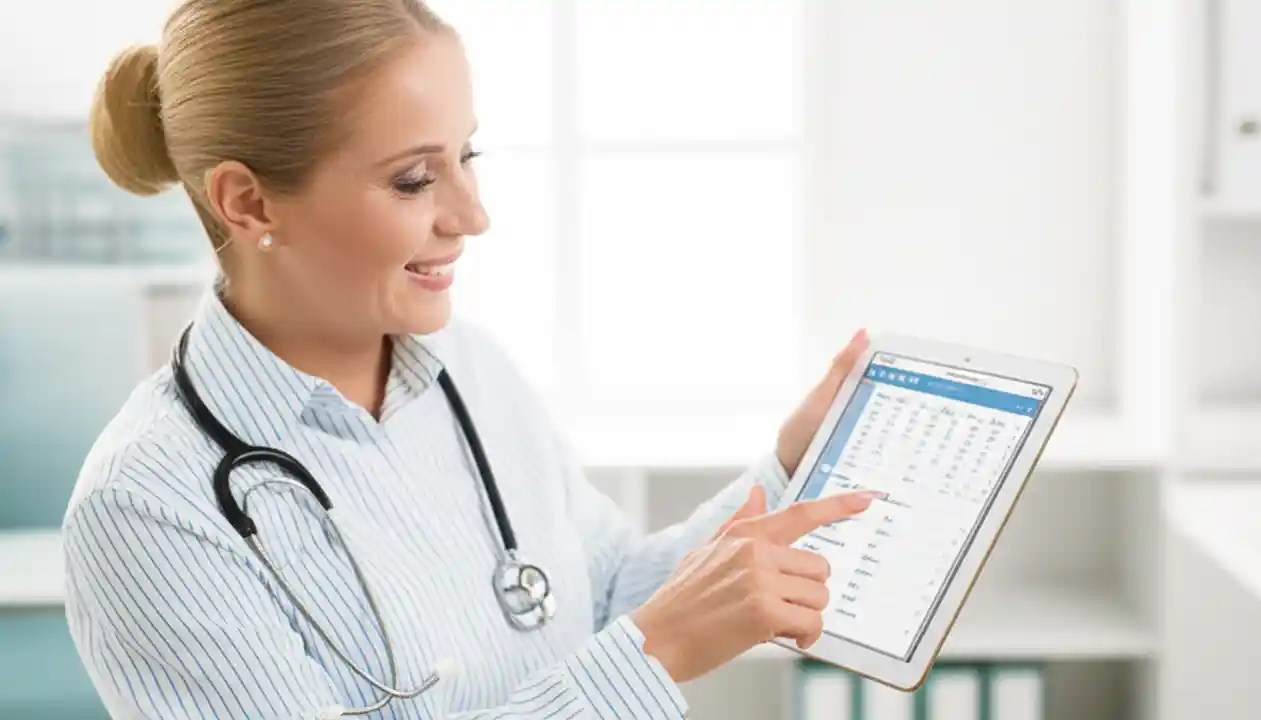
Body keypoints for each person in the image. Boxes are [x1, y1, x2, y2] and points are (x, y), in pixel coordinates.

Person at [64, 1, 876, 717]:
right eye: (414, 179)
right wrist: (654, 657)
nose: (473, 215)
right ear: (249, 202)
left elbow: (607, 596)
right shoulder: (146, 504)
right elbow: (642, 643)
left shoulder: (469, 371)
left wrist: (791, 463)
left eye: (468, 158)